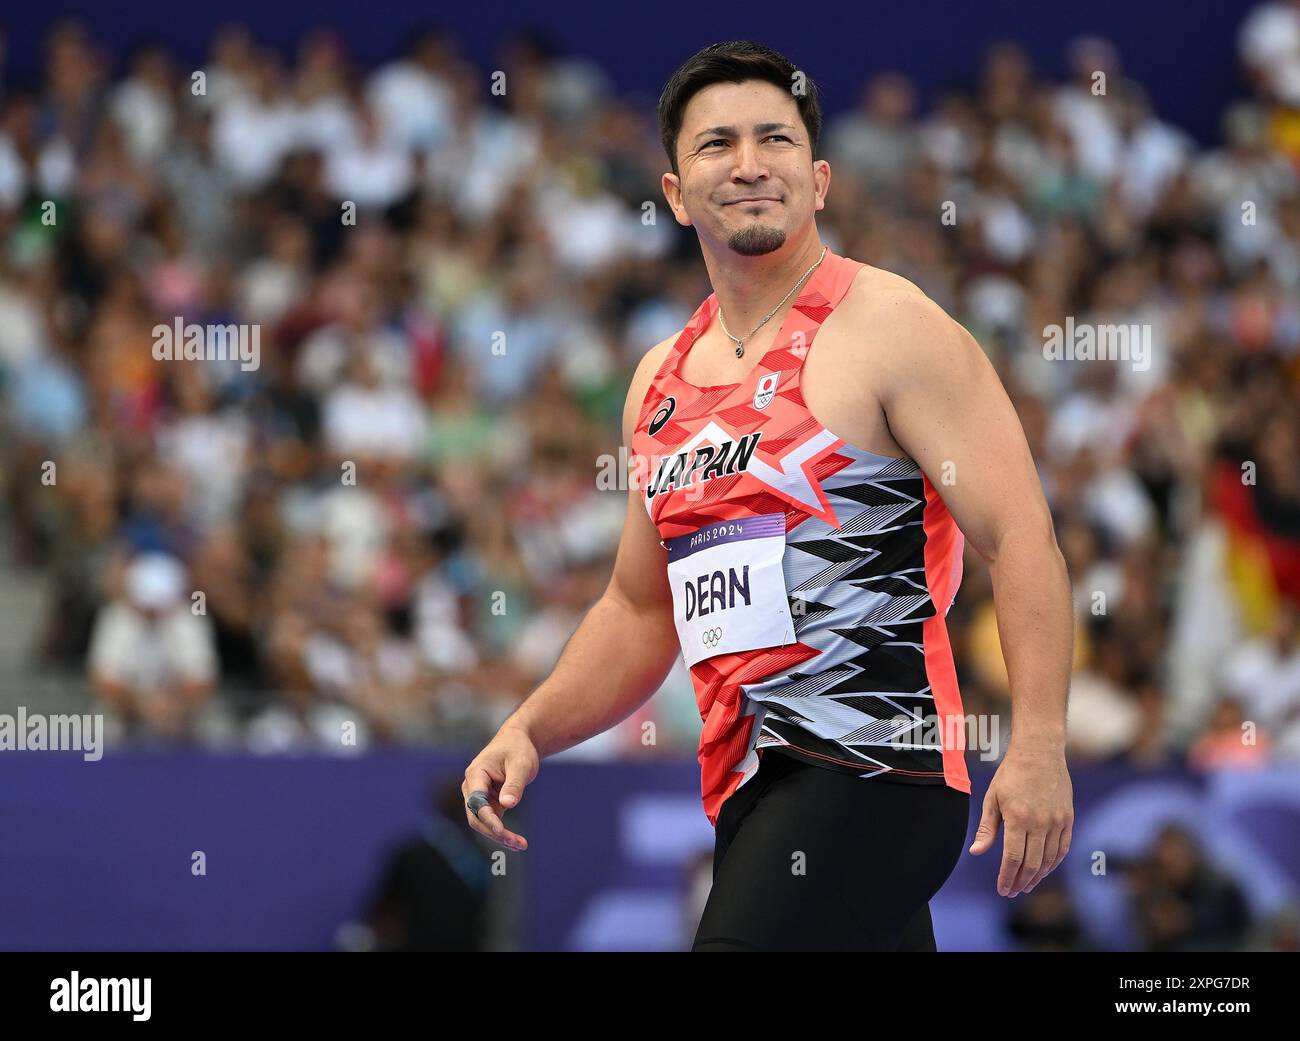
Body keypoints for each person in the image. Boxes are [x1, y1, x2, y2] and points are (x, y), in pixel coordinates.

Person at [462, 40, 1075, 951]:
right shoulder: (657, 381)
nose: (749, 163)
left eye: (775, 139)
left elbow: (1021, 536)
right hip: (748, 785)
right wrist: (531, 726)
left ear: (818, 179)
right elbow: (638, 610)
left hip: (875, 765)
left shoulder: (891, 327)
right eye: (717, 144)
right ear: (675, 193)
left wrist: (1039, 745)